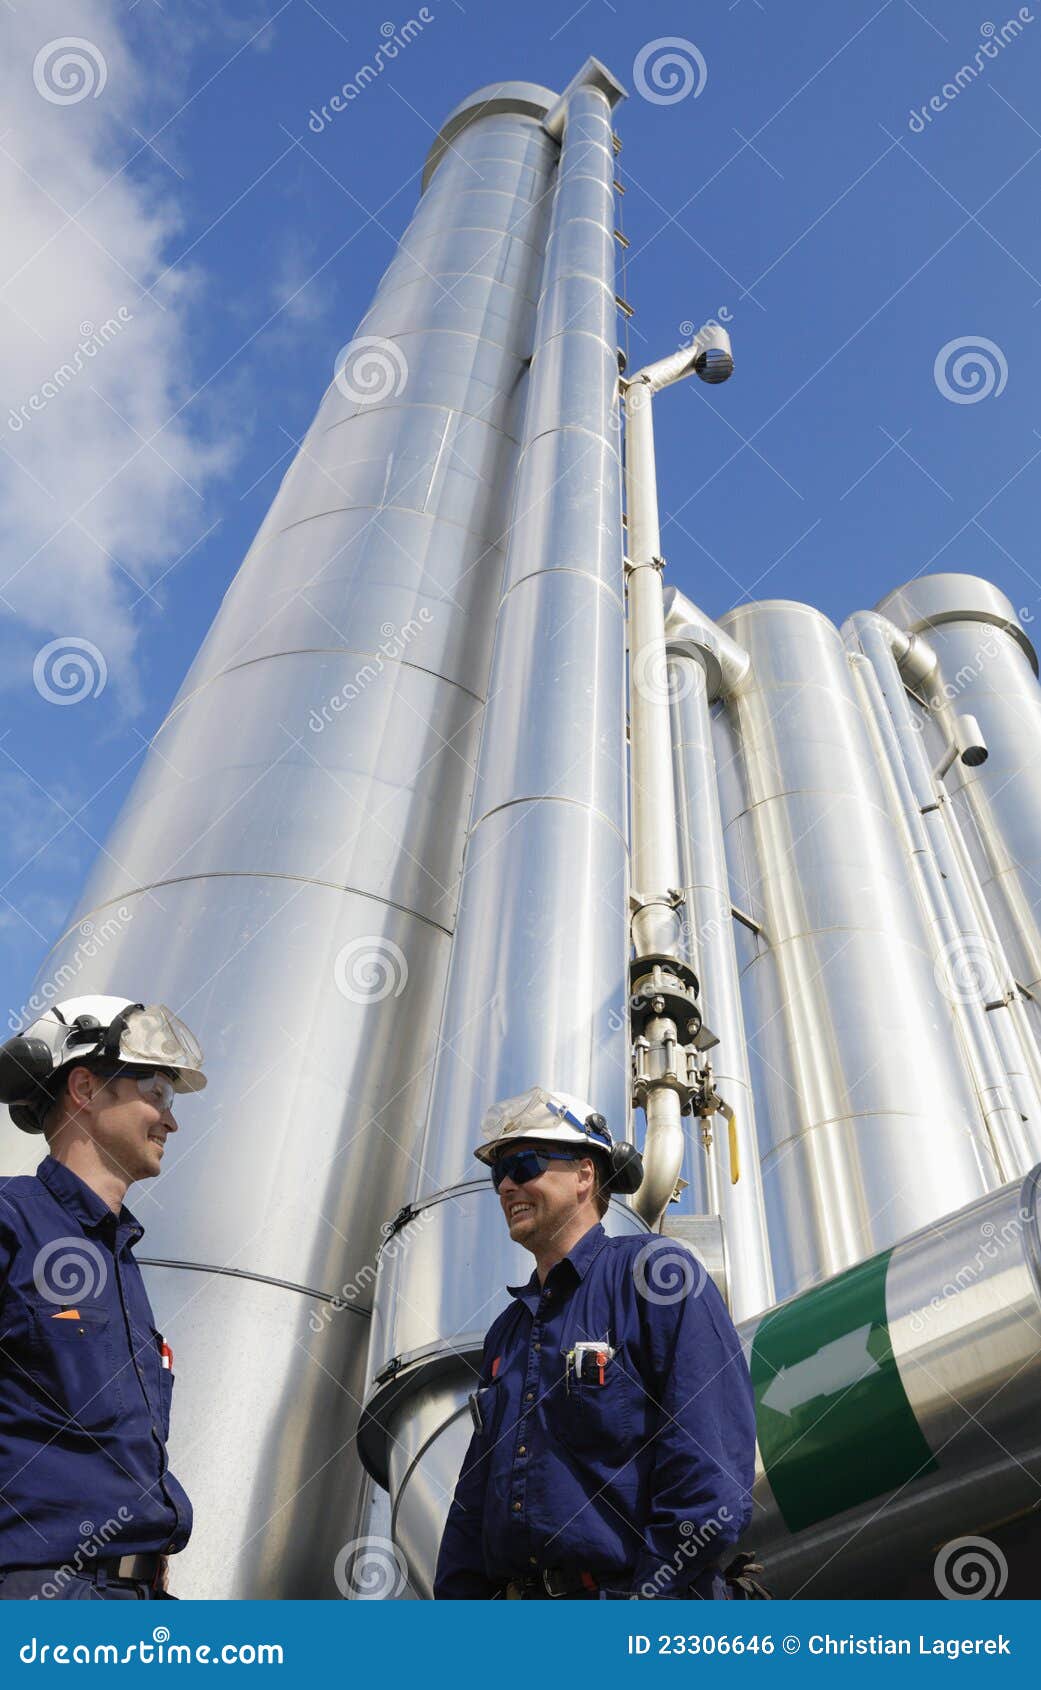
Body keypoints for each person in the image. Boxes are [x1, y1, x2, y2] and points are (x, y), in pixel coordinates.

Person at [433, 1085, 757, 1600]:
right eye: (498, 1175)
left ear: (585, 1174)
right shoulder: (507, 1333)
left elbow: (707, 1472)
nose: (506, 1187)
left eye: (523, 1165)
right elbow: (473, 1503)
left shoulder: (655, 1276)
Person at [0, 996, 206, 1600]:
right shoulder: (12, 1221)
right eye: (156, 1093)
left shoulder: (122, 1263)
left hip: (137, 1595)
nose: (170, 1121)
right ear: (85, 1088)